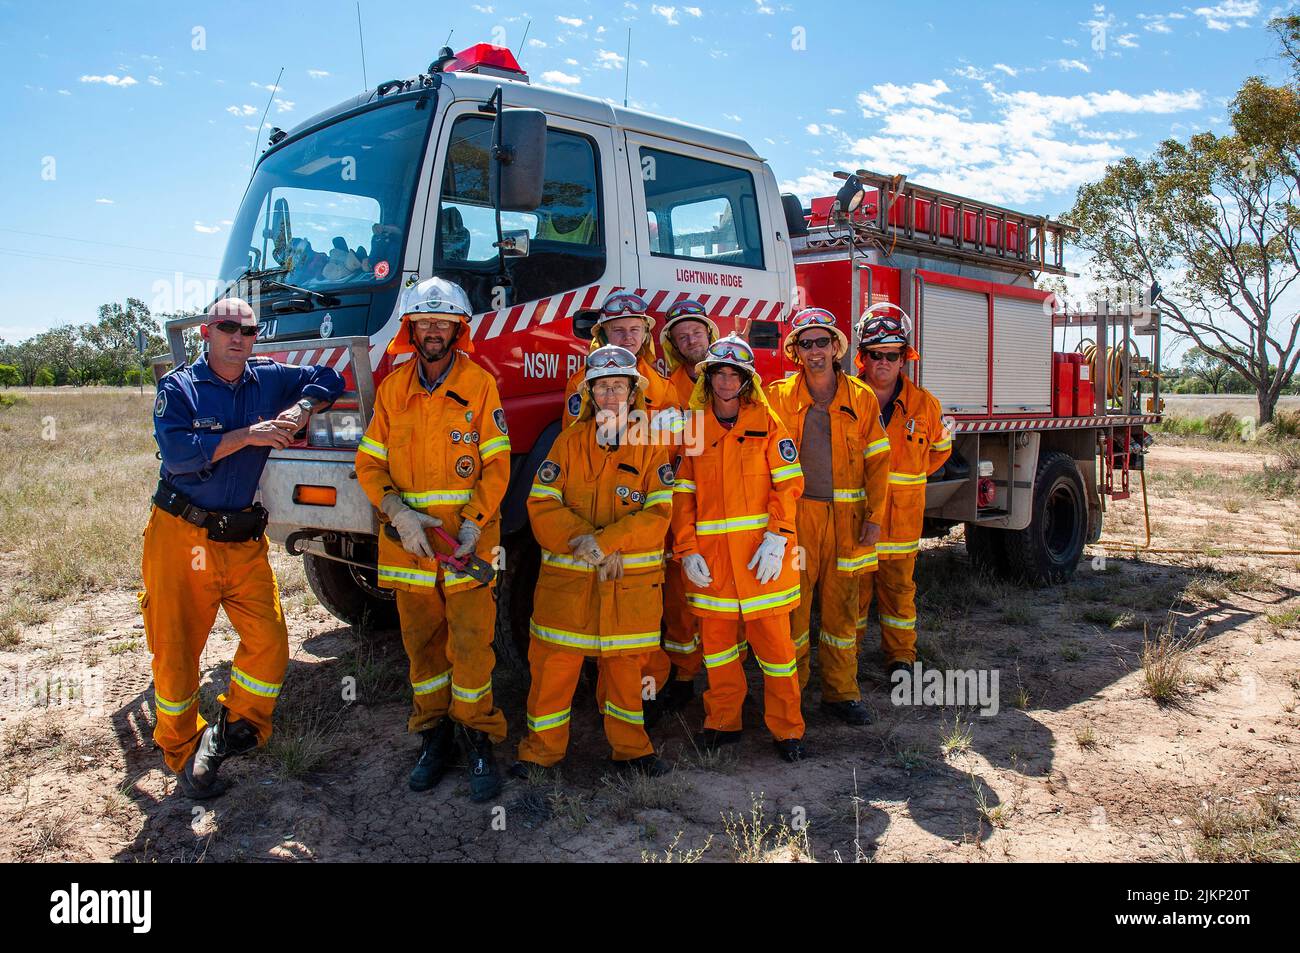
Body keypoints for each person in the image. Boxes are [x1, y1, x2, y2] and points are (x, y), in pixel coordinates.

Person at [141, 297, 344, 799]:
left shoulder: (268, 378)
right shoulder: (180, 387)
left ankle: (233, 730)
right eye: (228, 327)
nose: (239, 336)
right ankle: (183, 753)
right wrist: (249, 435)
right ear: (207, 332)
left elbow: (329, 378)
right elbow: (181, 455)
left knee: (271, 642)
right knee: (177, 653)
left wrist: (300, 408)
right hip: (182, 538)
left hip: (243, 542)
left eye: (249, 330)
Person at [355, 277, 511, 801]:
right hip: (410, 548)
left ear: (458, 329)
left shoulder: (480, 384)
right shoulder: (393, 390)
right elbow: (370, 462)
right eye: (424, 322)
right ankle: (433, 736)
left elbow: (497, 464)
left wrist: (471, 523)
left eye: (443, 323)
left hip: (466, 549)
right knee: (422, 649)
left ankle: (478, 737)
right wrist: (397, 511)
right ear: (410, 330)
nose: (433, 331)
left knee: (471, 647)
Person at [512, 345, 675, 778]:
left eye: (618, 386)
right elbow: (541, 502)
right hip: (568, 589)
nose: (610, 395)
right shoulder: (567, 442)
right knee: (554, 669)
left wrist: (608, 543)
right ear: (589, 392)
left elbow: (658, 514)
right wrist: (582, 541)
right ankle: (540, 753)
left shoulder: (652, 447)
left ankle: (632, 751)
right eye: (602, 387)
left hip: (628, 588)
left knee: (626, 671)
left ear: (633, 392)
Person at [671, 334, 808, 761]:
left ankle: (788, 730)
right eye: (719, 373)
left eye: (735, 374)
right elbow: (682, 494)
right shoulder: (694, 429)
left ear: (747, 381)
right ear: (708, 377)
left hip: (762, 560)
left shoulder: (767, 423)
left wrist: (777, 535)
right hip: (712, 565)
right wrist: (686, 549)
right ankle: (722, 721)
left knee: (778, 653)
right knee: (718, 650)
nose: (726, 381)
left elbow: (788, 485)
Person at [766, 308, 890, 724]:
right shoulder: (778, 397)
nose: (815, 351)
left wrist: (875, 517)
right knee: (794, 609)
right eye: (806, 343)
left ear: (837, 347)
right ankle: (792, 693)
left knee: (842, 609)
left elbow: (878, 463)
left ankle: (841, 693)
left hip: (847, 523)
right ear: (795, 351)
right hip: (797, 520)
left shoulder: (862, 398)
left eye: (823, 342)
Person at [853, 303, 952, 676]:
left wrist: (910, 479)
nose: (883, 362)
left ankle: (901, 659)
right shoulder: (848, 400)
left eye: (891, 355)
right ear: (863, 358)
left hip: (902, 526)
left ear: (903, 359)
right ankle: (850, 662)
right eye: (875, 354)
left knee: (899, 595)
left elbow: (941, 449)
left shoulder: (924, 404)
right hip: (859, 521)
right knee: (853, 598)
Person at [648, 299, 718, 712]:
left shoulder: (733, 378)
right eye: (681, 334)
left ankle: (728, 675)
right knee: (678, 595)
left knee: (723, 593)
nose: (690, 338)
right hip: (680, 498)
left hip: (725, 499)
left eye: (696, 331)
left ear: (710, 333)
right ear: (672, 343)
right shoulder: (664, 386)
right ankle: (684, 672)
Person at [561, 291, 672, 424]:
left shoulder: (663, 386)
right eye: (618, 330)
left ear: (644, 335)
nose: (628, 337)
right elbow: (573, 438)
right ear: (603, 335)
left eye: (635, 329)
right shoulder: (580, 382)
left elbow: (675, 438)